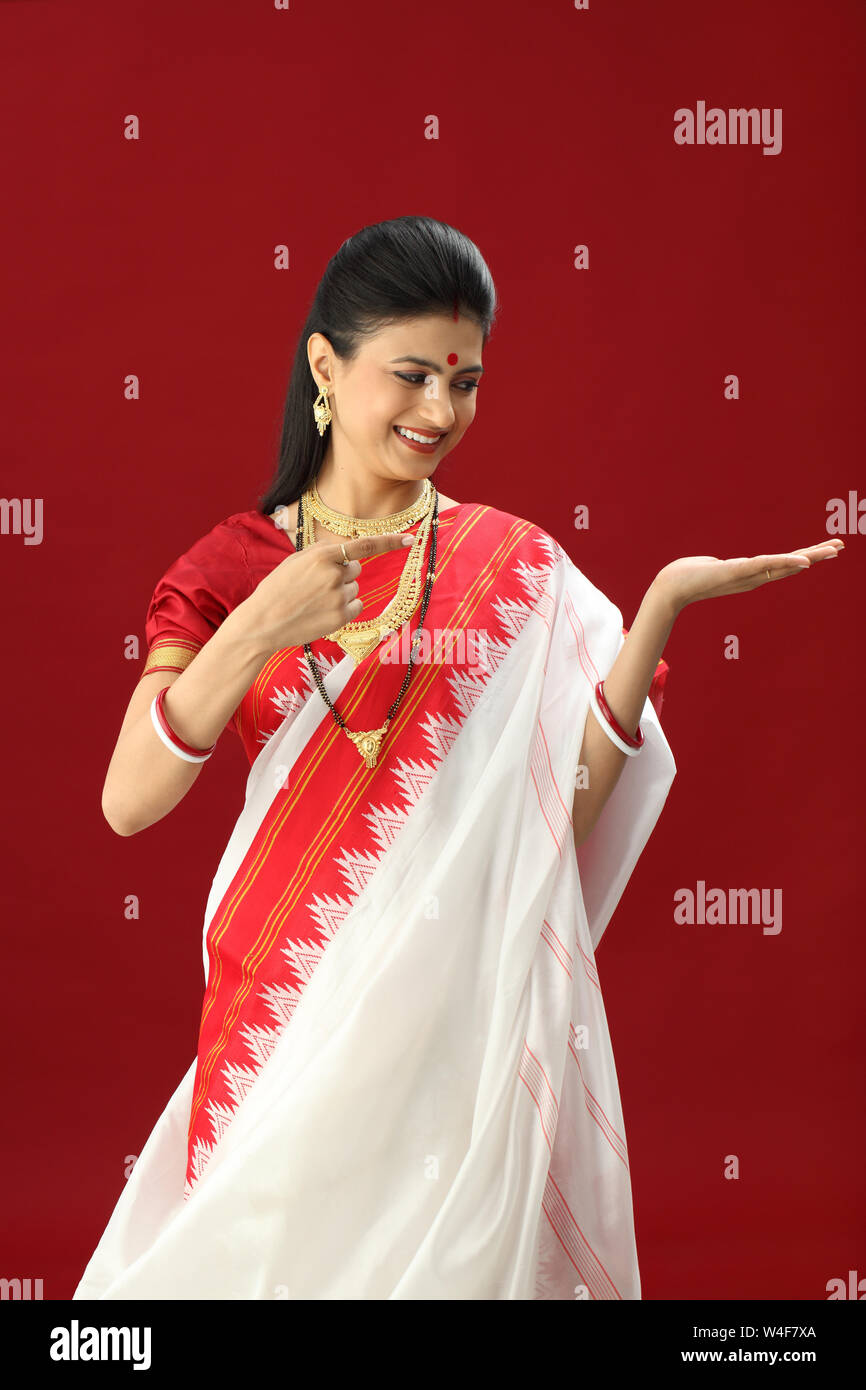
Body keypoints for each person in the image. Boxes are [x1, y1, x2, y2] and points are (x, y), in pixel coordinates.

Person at [73, 215, 843, 1300]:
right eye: (412, 376)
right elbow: (127, 800)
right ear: (325, 368)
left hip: (449, 1023)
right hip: (282, 1000)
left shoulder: (514, 566)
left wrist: (659, 610)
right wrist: (259, 624)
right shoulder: (229, 567)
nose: (440, 412)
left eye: (465, 382)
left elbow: (558, 818)